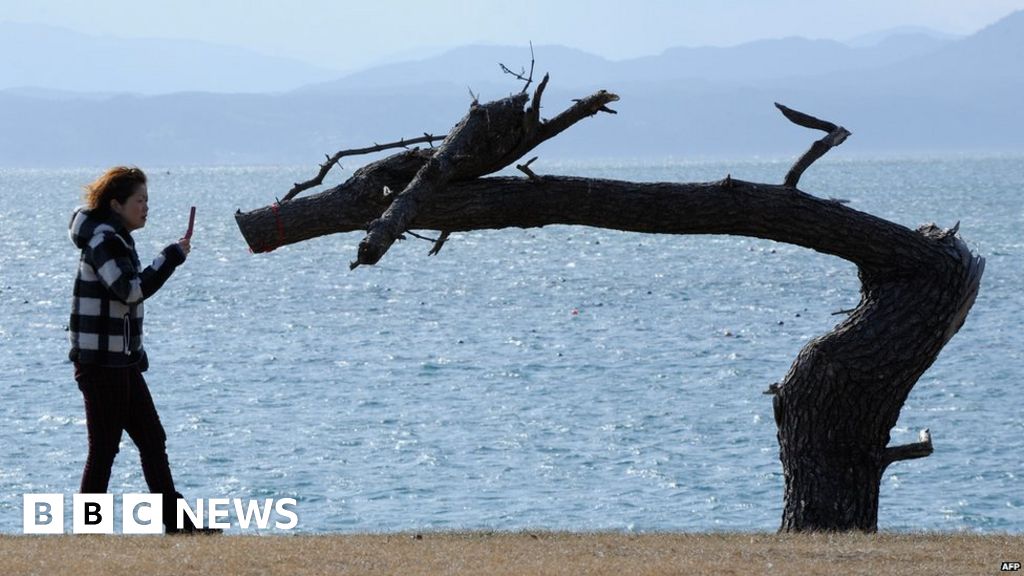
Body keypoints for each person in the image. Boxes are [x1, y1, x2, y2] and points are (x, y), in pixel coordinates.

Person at [68, 166, 216, 534]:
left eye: (147, 200)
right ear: (116, 204)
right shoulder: (104, 241)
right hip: (102, 364)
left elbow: (124, 307)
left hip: (122, 362)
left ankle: (178, 524)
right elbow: (130, 291)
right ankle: (88, 533)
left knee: (151, 439)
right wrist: (170, 258)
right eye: (139, 200)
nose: (146, 207)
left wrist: (135, 352)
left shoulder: (117, 238)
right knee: (104, 449)